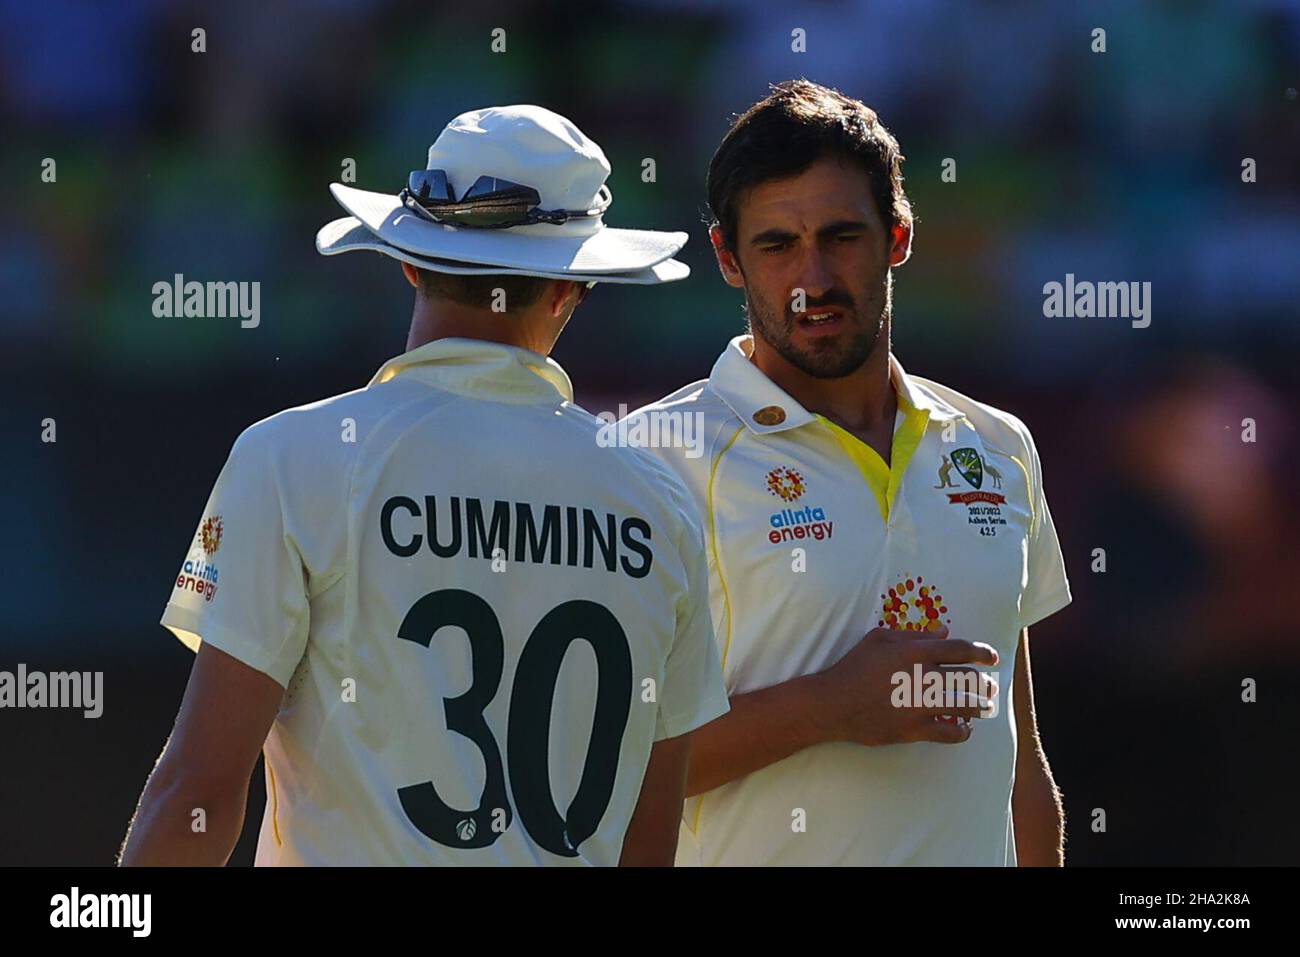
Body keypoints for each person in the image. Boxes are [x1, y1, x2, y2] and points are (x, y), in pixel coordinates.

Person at [120, 105, 728, 866]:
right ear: (574, 289)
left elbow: (198, 795)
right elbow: (649, 840)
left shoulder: (293, 457)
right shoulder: (662, 505)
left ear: (409, 259)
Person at [624, 80, 1071, 866]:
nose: (814, 279)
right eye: (777, 245)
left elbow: (1019, 759)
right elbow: (598, 768)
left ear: (897, 237)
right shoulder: (654, 457)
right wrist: (831, 705)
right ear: (728, 257)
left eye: (842, 237)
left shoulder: (1000, 446)